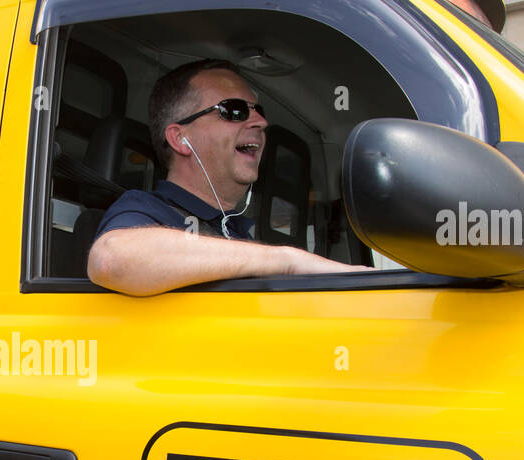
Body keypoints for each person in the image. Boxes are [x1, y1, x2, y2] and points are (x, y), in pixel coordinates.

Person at [87, 58, 367, 296]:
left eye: (258, 110)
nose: (260, 122)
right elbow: (112, 259)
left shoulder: (237, 232)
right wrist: (288, 260)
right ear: (181, 138)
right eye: (234, 110)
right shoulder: (145, 209)